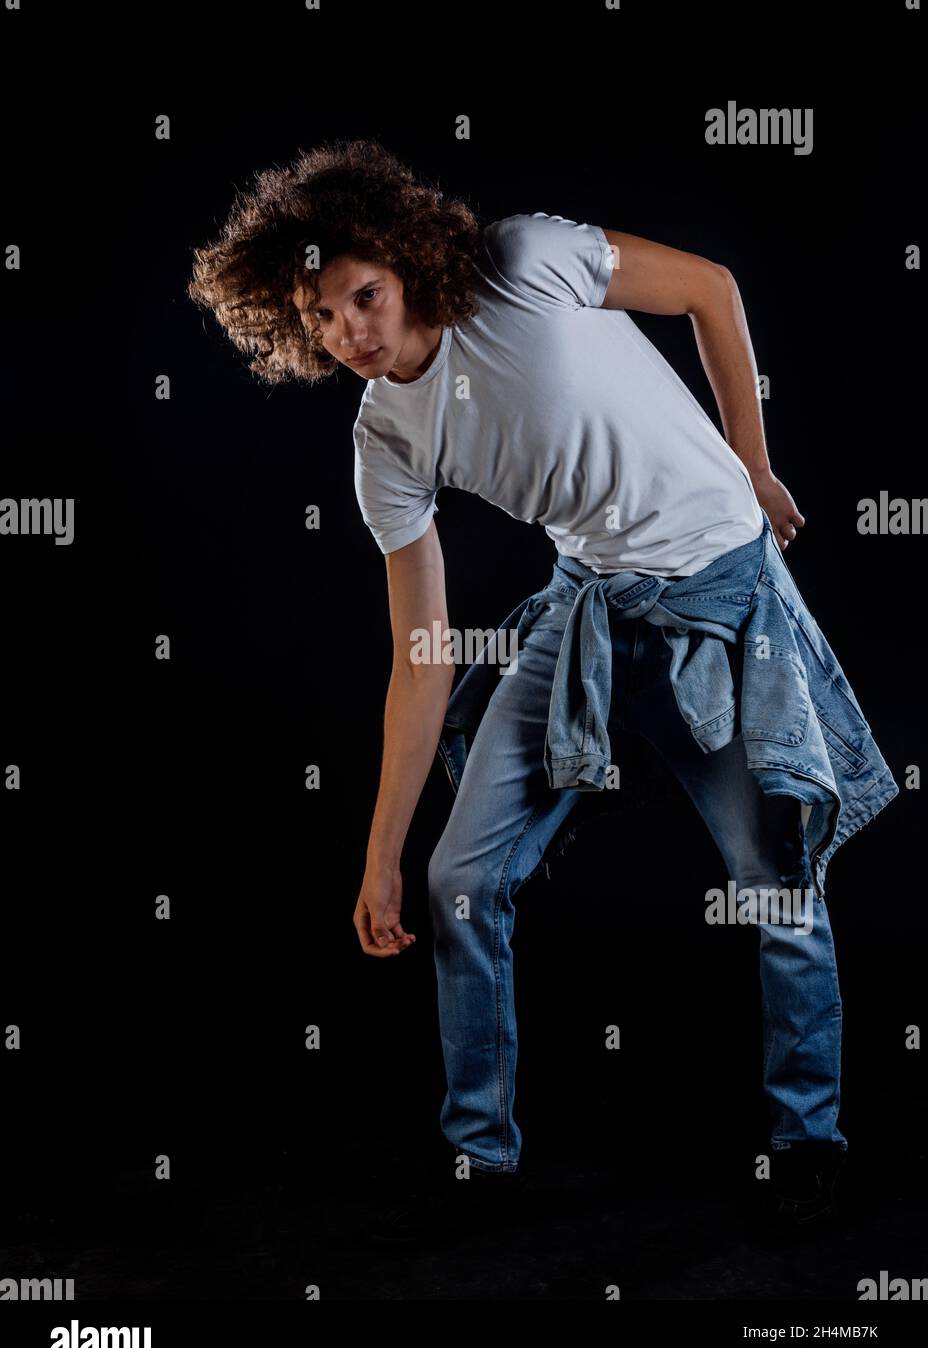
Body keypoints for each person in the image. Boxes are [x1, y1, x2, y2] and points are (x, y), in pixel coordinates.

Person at [188, 137, 896, 1248]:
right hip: (591, 611)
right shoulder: (382, 441)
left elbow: (710, 287)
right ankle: (482, 1157)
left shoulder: (522, 260)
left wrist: (752, 465)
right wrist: (380, 858)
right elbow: (420, 655)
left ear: (403, 261)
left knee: (774, 880)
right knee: (458, 876)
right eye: (320, 318)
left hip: (718, 592)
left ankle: (806, 1140)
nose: (350, 331)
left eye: (361, 296)